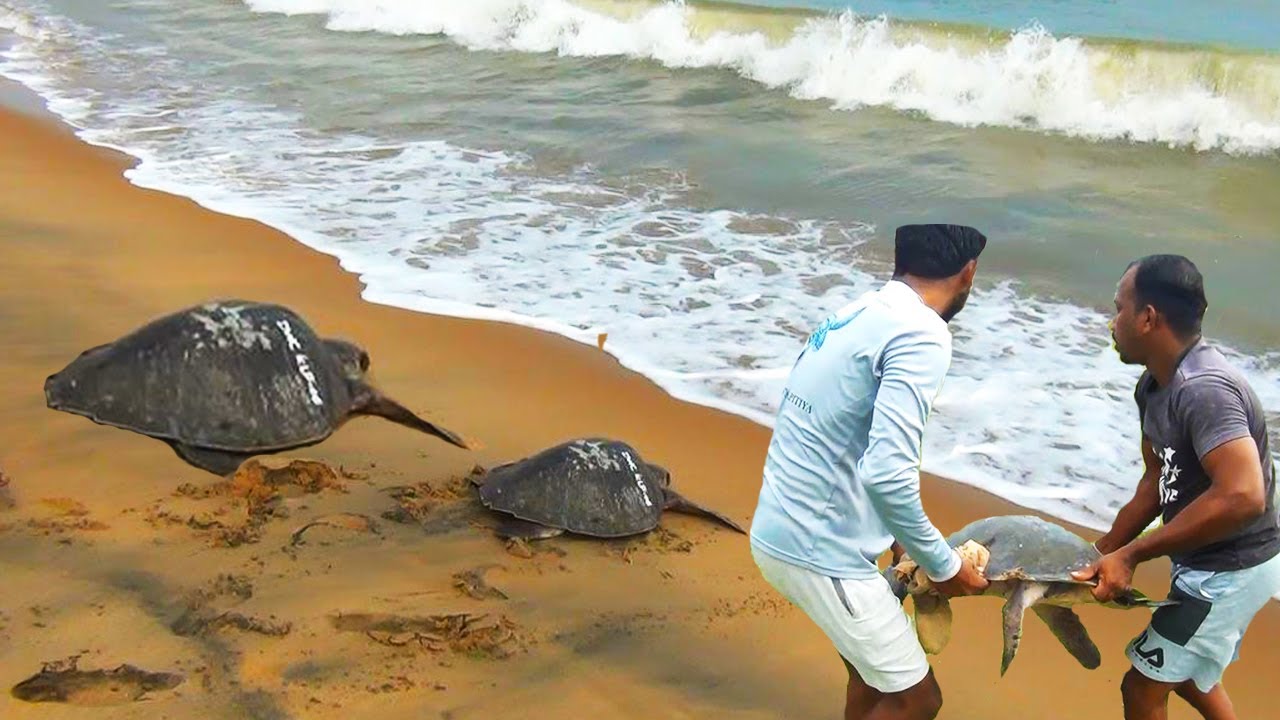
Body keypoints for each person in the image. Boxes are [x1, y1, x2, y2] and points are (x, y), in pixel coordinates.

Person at [750, 224, 990, 720]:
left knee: (871, 675)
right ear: (968, 273)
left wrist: (901, 541)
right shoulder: (923, 332)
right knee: (917, 699)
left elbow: (840, 434)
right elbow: (886, 474)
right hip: (821, 552)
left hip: (782, 525)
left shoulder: (855, 313)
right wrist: (944, 566)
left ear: (900, 263)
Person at [1071, 254, 1280, 720]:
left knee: (1142, 687)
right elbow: (1155, 481)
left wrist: (1133, 556)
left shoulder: (1204, 389)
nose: (1111, 322)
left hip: (1231, 570)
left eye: (1119, 308)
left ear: (1148, 318)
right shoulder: (1154, 385)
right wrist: (1103, 551)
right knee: (1185, 674)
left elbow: (1244, 495)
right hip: (1207, 561)